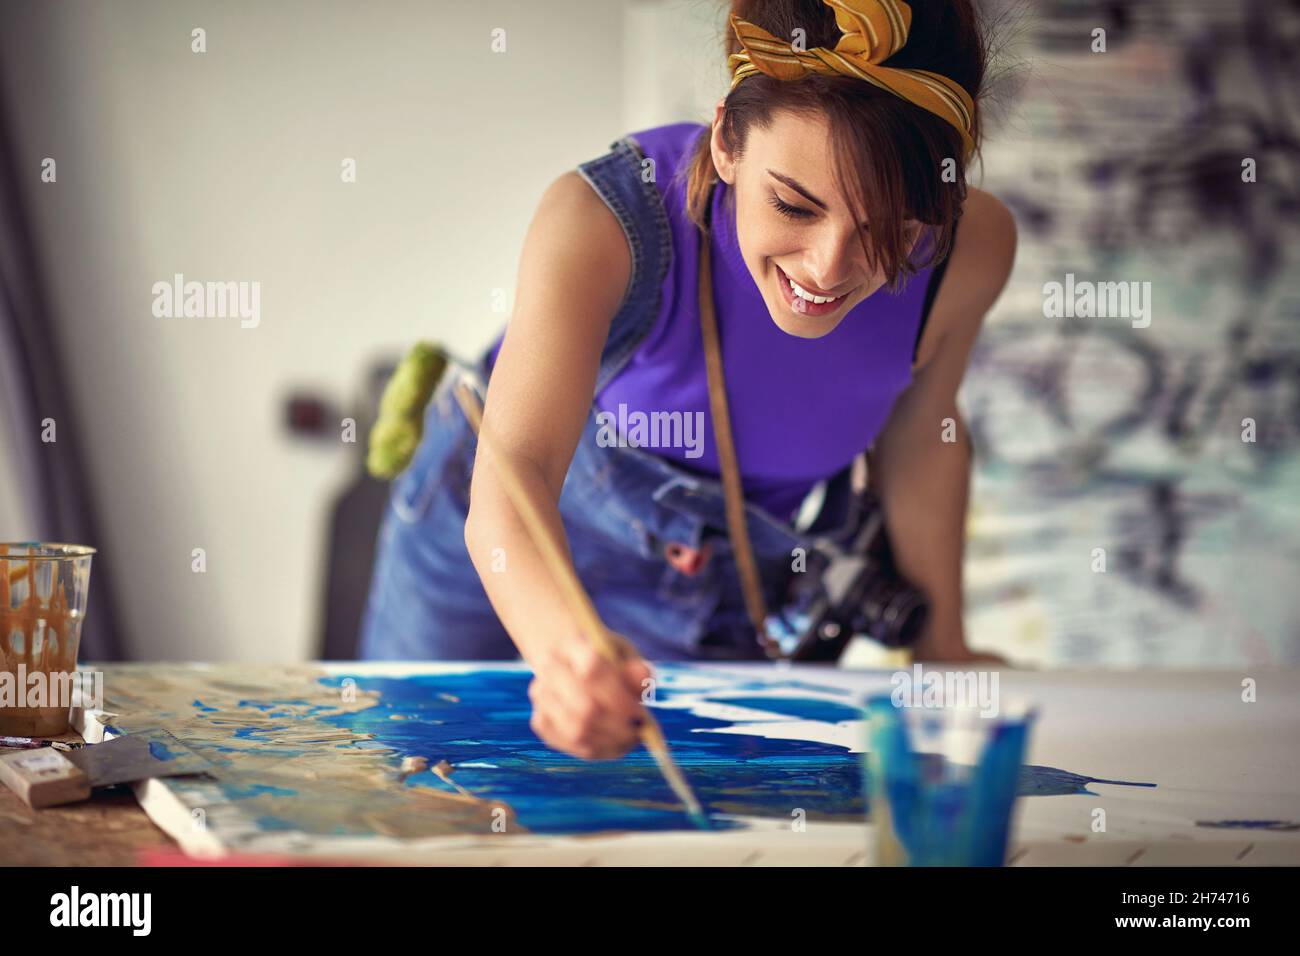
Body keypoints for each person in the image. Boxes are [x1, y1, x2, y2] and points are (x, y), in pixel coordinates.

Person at [360, 0, 1017, 760]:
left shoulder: (971, 251)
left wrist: (942, 650)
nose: (828, 270)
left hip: (724, 572)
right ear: (727, 140)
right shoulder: (603, 221)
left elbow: (920, 439)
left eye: (893, 228)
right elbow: (516, 477)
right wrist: (567, 653)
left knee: (659, 821)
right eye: (794, 206)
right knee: (415, 771)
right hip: (499, 528)